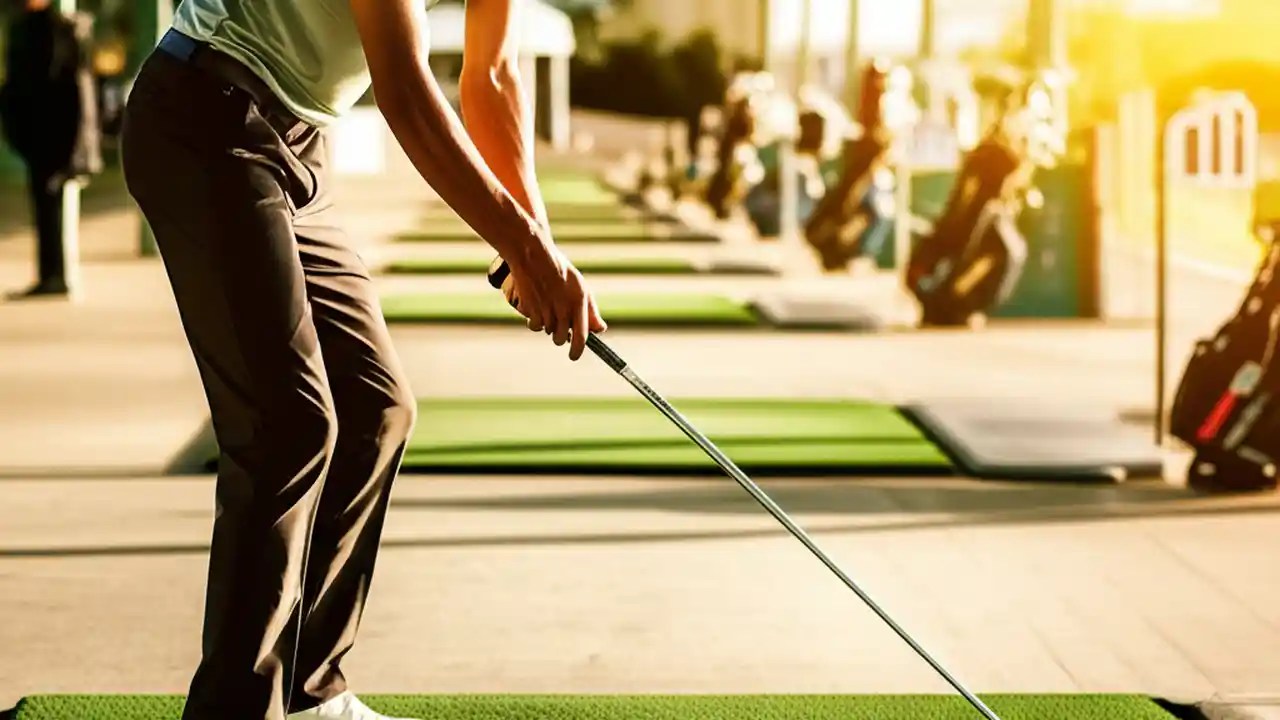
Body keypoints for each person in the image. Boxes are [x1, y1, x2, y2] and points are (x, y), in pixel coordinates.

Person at [119, 0, 607, 718]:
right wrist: (526, 252)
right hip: (206, 117)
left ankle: (313, 694)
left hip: (297, 142)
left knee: (375, 408)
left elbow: (493, 73)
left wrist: (535, 243)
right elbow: (406, 95)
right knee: (287, 426)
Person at [0, 0, 100, 296]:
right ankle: (53, 274)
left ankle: (54, 275)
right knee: (49, 206)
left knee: (49, 206)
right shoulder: (62, 30)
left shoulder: (45, 31)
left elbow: (37, 84)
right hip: (50, 133)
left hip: (46, 133)